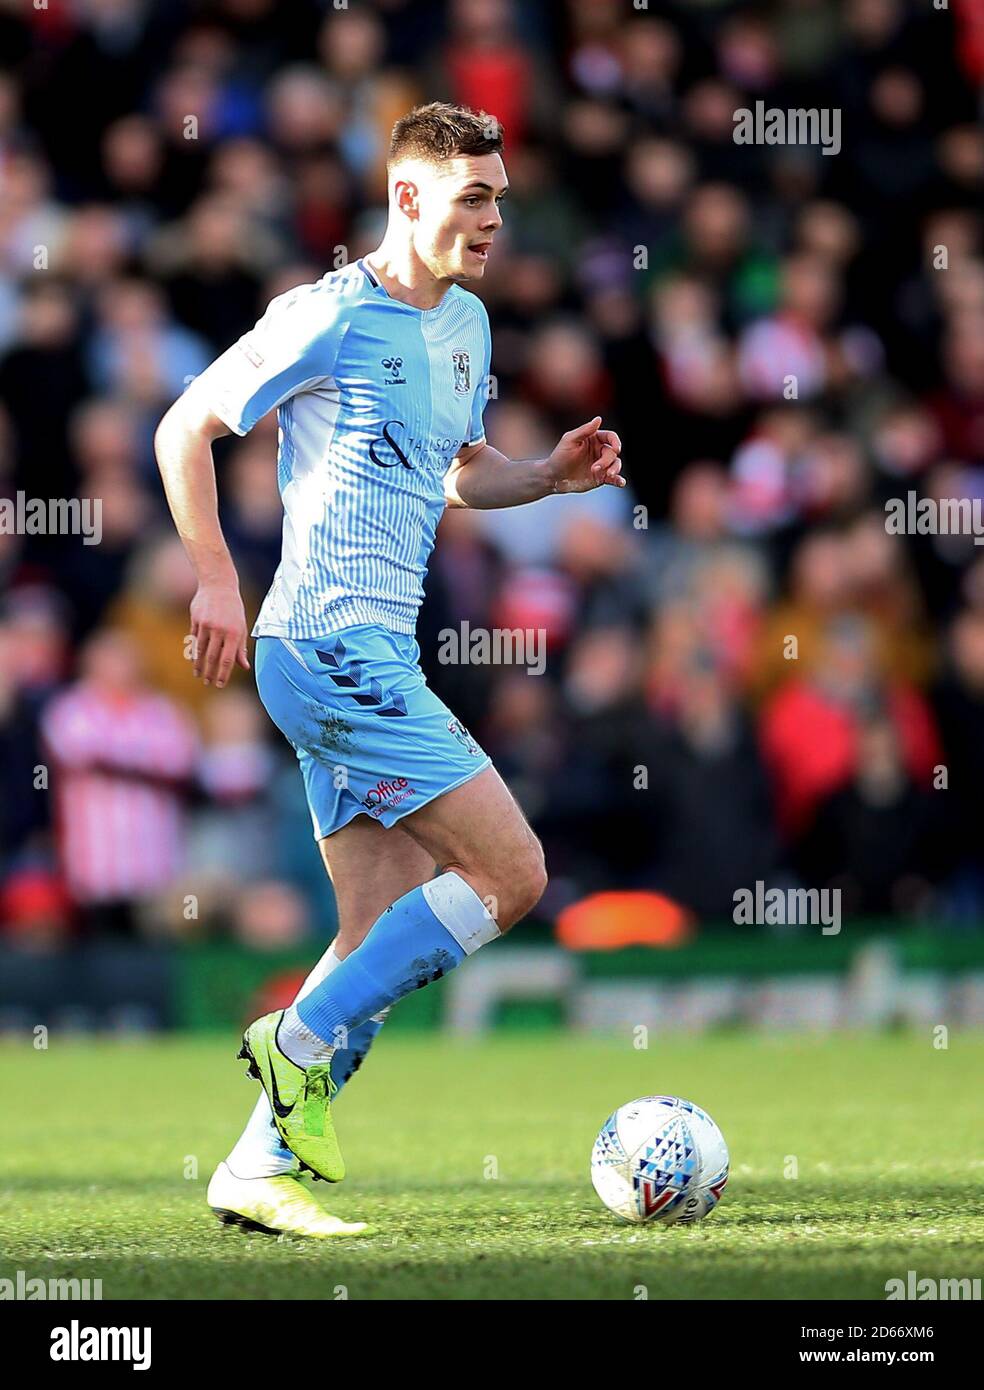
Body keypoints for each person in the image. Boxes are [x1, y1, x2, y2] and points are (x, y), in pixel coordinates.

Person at [154, 103, 624, 1238]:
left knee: (375, 930)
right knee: (513, 875)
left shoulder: (466, 326)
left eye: (501, 195)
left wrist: (544, 480)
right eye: (474, 196)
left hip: (372, 651)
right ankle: (296, 1040)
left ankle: (254, 1168)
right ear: (407, 197)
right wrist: (216, 576)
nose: (495, 216)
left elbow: (455, 472)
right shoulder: (324, 315)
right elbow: (183, 428)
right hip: (321, 642)